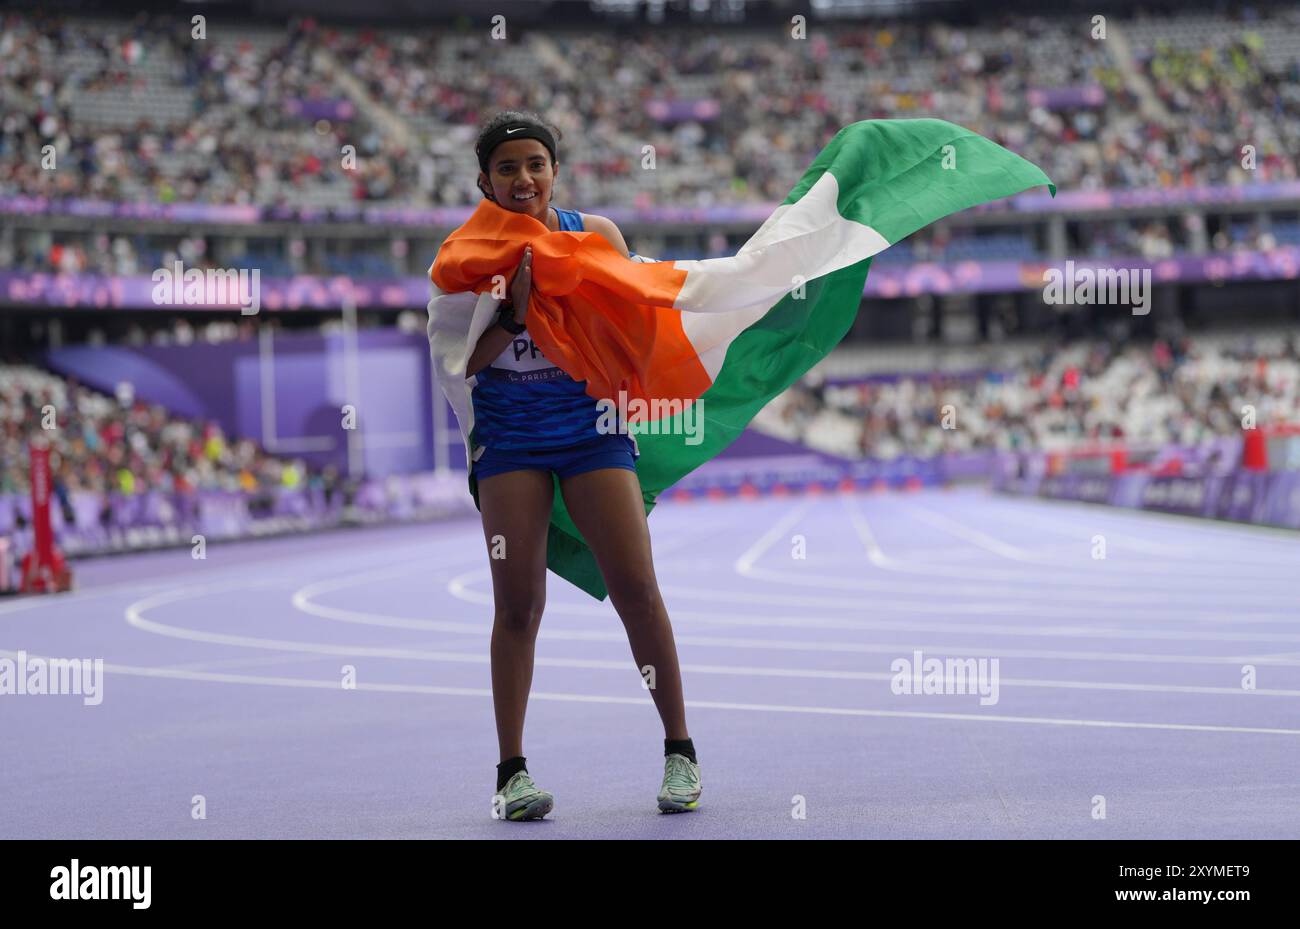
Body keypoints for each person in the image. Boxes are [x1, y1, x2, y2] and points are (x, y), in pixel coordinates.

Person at [462, 111, 700, 820]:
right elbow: (455, 364)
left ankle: (680, 751)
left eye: (535, 163)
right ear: (484, 181)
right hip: (509, 435)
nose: (523, 178)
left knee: (636, 586)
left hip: (591, 426)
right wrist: (513, 316)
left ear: (555, 171)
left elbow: (631, 326)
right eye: (507, 168)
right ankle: (511, 774)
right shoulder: (466, 256)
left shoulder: (596, 236)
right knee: (518, 605)